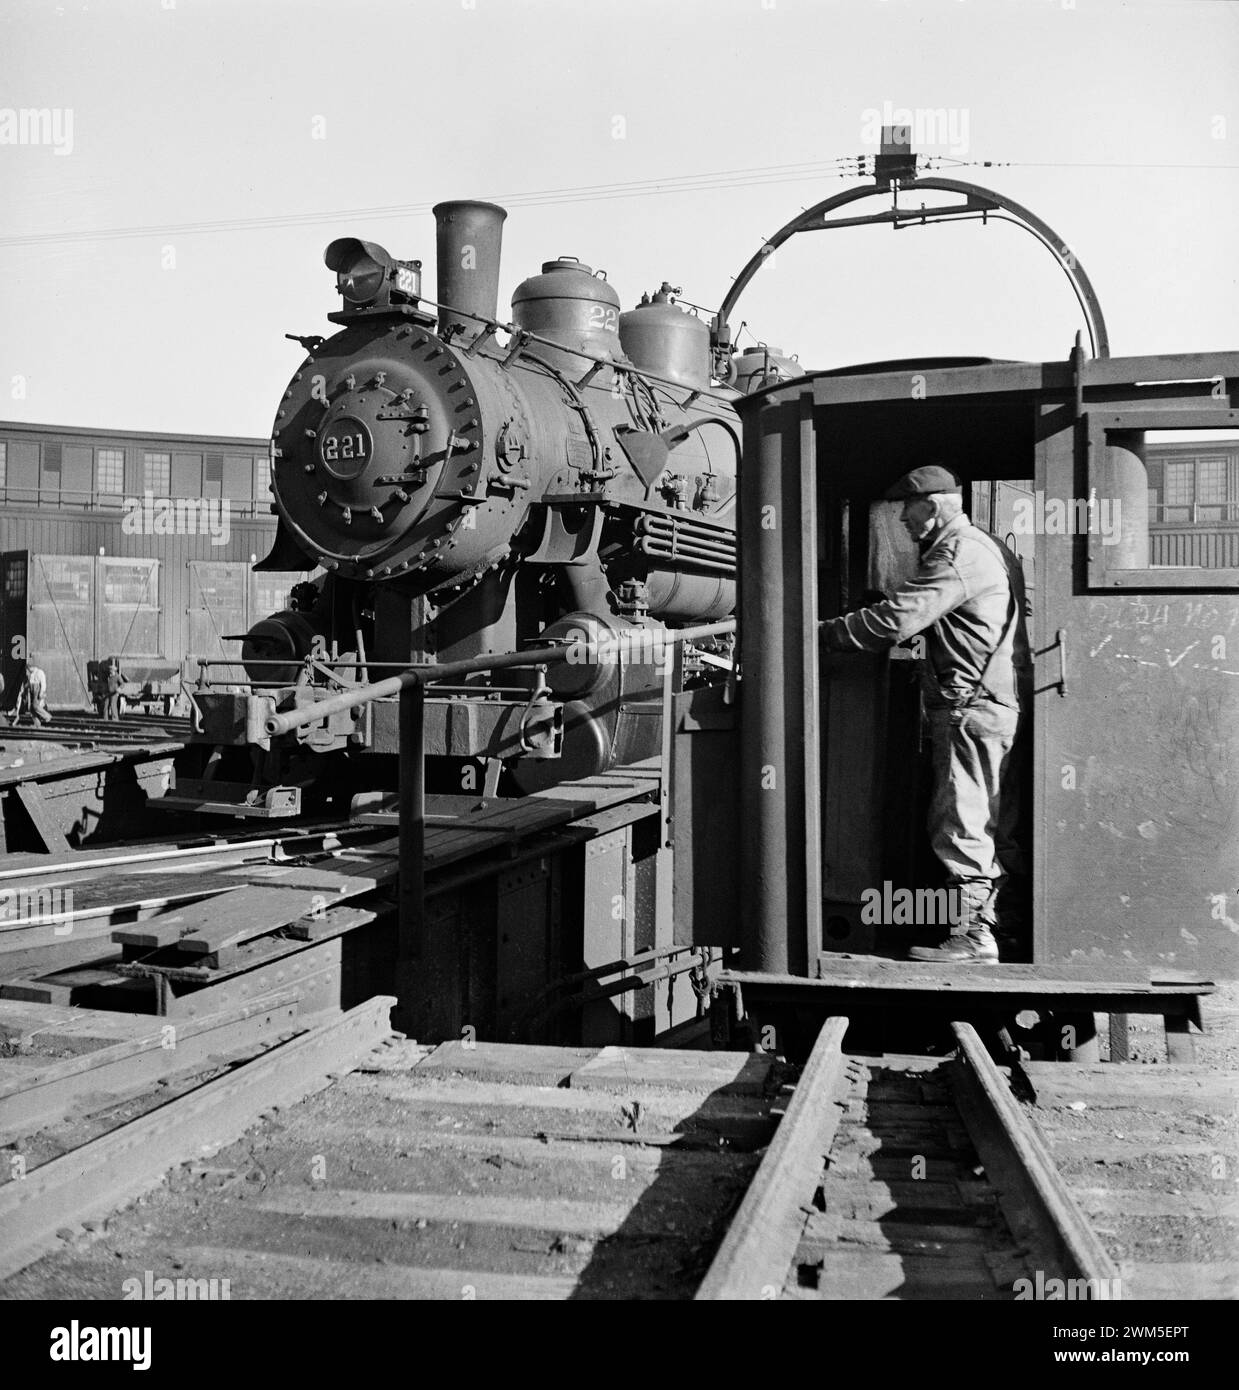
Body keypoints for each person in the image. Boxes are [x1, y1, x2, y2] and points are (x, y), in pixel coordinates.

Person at [820, 466, 1031, 962]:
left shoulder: (958, 553)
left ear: (932, 508)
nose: (904, 524)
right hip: (994, 704)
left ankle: (974, 937)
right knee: (998, 826)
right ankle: (1008, 927)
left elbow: (897, 620)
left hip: (969, 707)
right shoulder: (992, 546)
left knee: (962, 821)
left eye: (907, 512)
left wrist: (819, 631)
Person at [16, 658, 53, 726]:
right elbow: (29, 684)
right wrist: (24, 690)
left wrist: (42, 692)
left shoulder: (39, 672)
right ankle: (37, 724)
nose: (27, 670)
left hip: (37, 691)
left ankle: (47, 716)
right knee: (31, 709)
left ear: (31, 667)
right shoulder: (31, 674)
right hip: (32, 691)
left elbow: (43, 683)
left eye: (28, 669)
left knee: (35, 706)